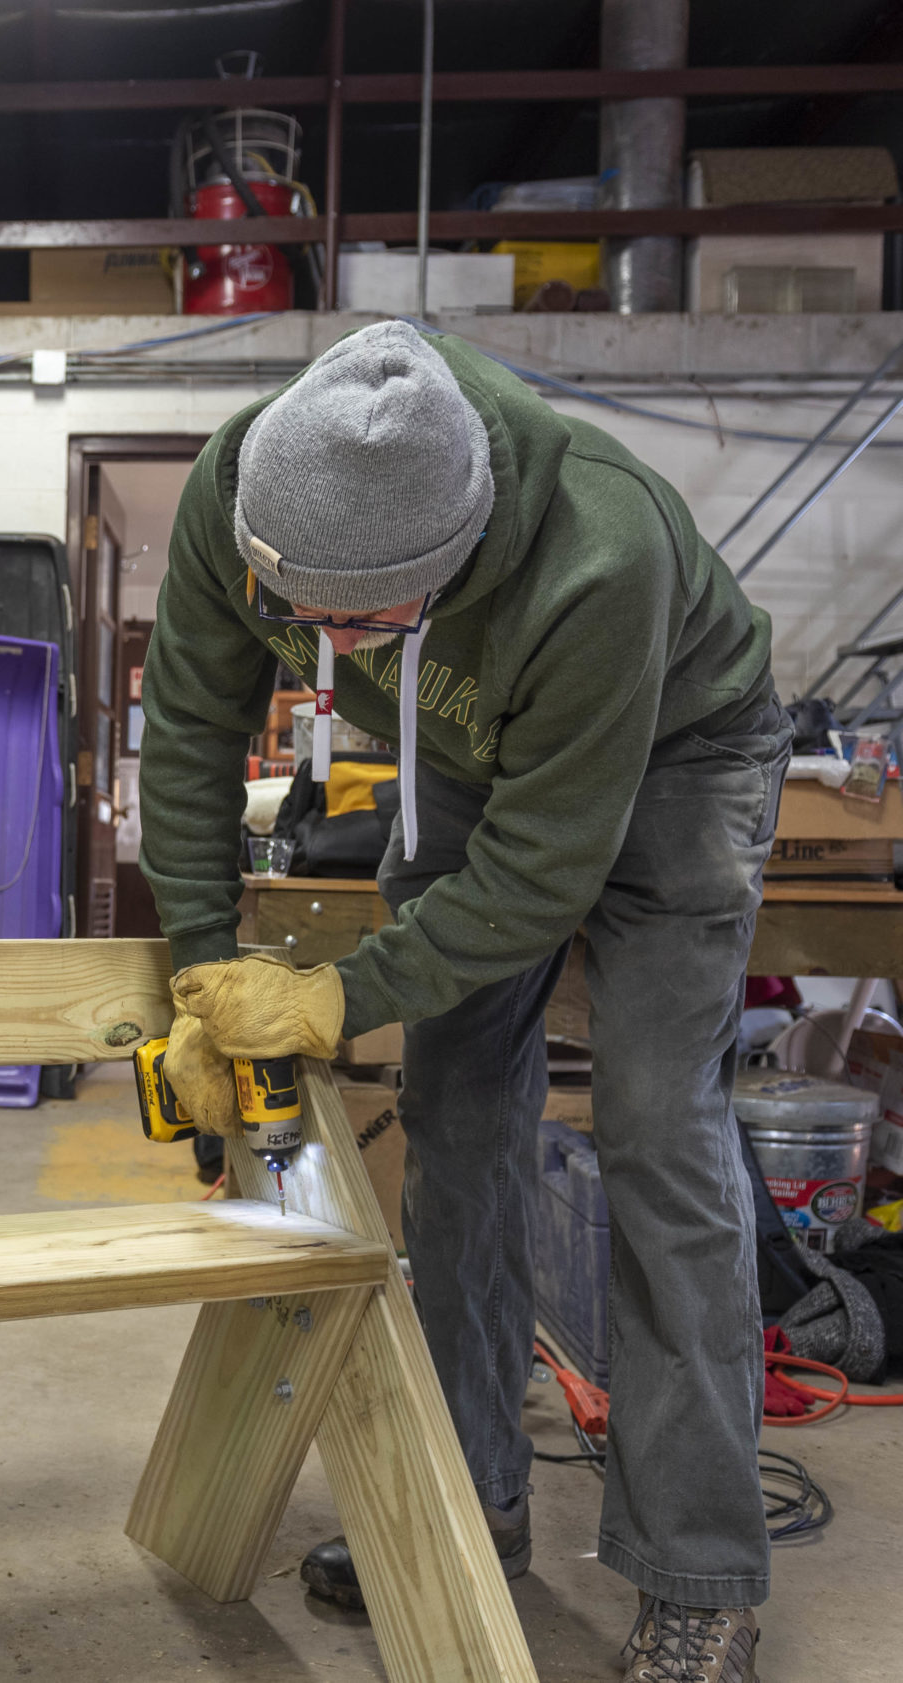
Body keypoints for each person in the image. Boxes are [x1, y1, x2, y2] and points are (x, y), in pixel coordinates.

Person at [142, 320, 784, 1683]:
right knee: (457, 1119)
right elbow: (193, 732)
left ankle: (702, 1574)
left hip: (677, 752)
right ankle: (467, 1505)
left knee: (661, 1139)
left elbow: (543, 877)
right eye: (292, 608)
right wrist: (204, 973)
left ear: (452, 563)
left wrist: (328, 1000)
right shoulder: (241, 486)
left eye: (351, 625)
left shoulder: (601, 551)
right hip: (476, 750)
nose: (316, 644)